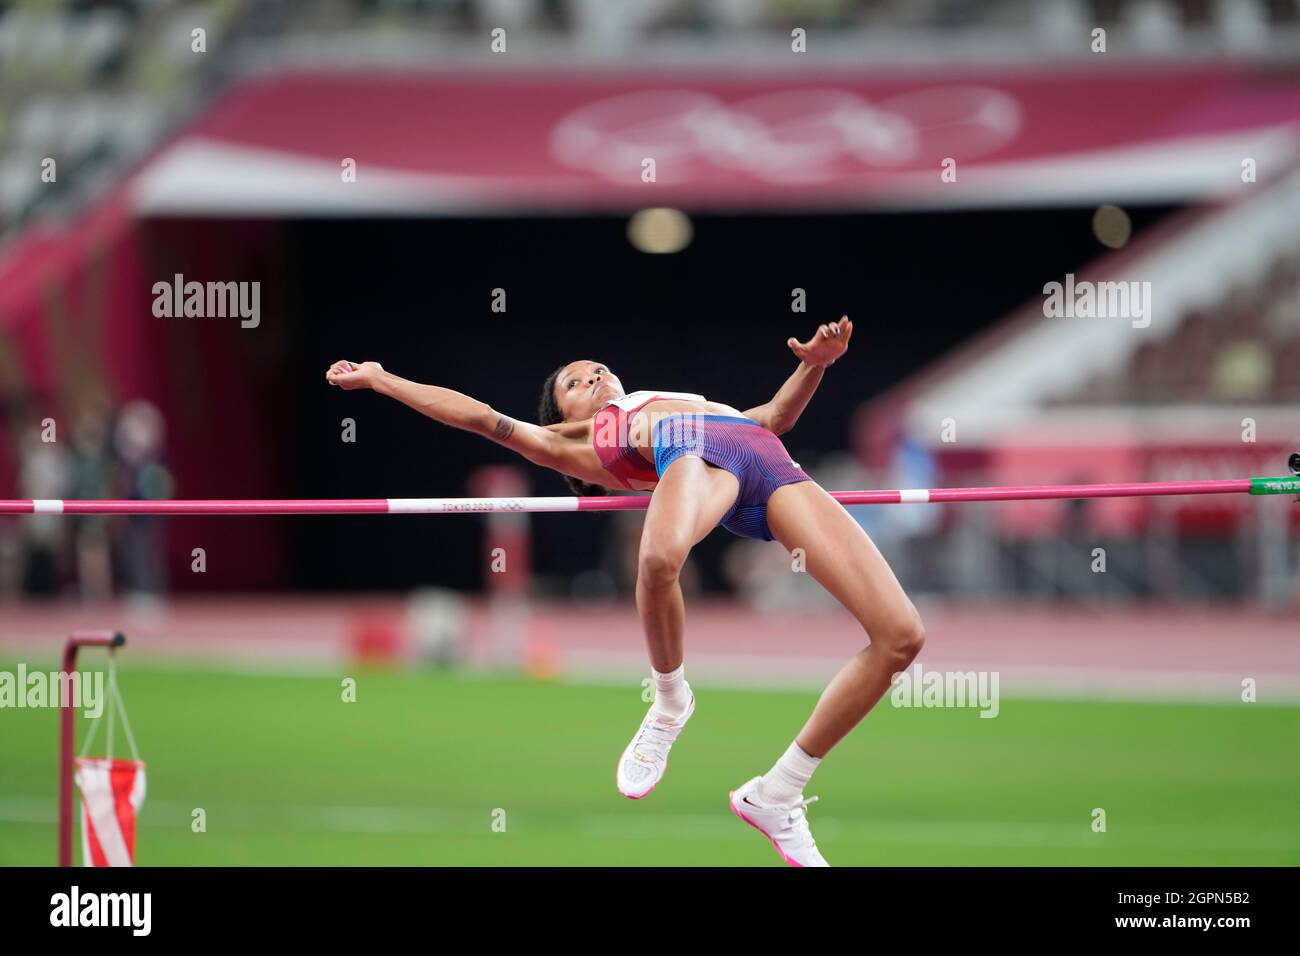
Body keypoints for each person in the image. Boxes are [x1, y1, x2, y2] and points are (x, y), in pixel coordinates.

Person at [325, 316, 925, 867]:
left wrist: (816, 363)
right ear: (561, 416)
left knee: (901, 636)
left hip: (764, 459)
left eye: (596, 368)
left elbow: (772, 419)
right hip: (690, 458)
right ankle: (670, 702)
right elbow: (477, 415)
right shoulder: (575, 441)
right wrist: (382, 380)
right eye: (576, 383)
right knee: (660, 558)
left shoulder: (672, 400)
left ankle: (778, 791)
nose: (594, 375)